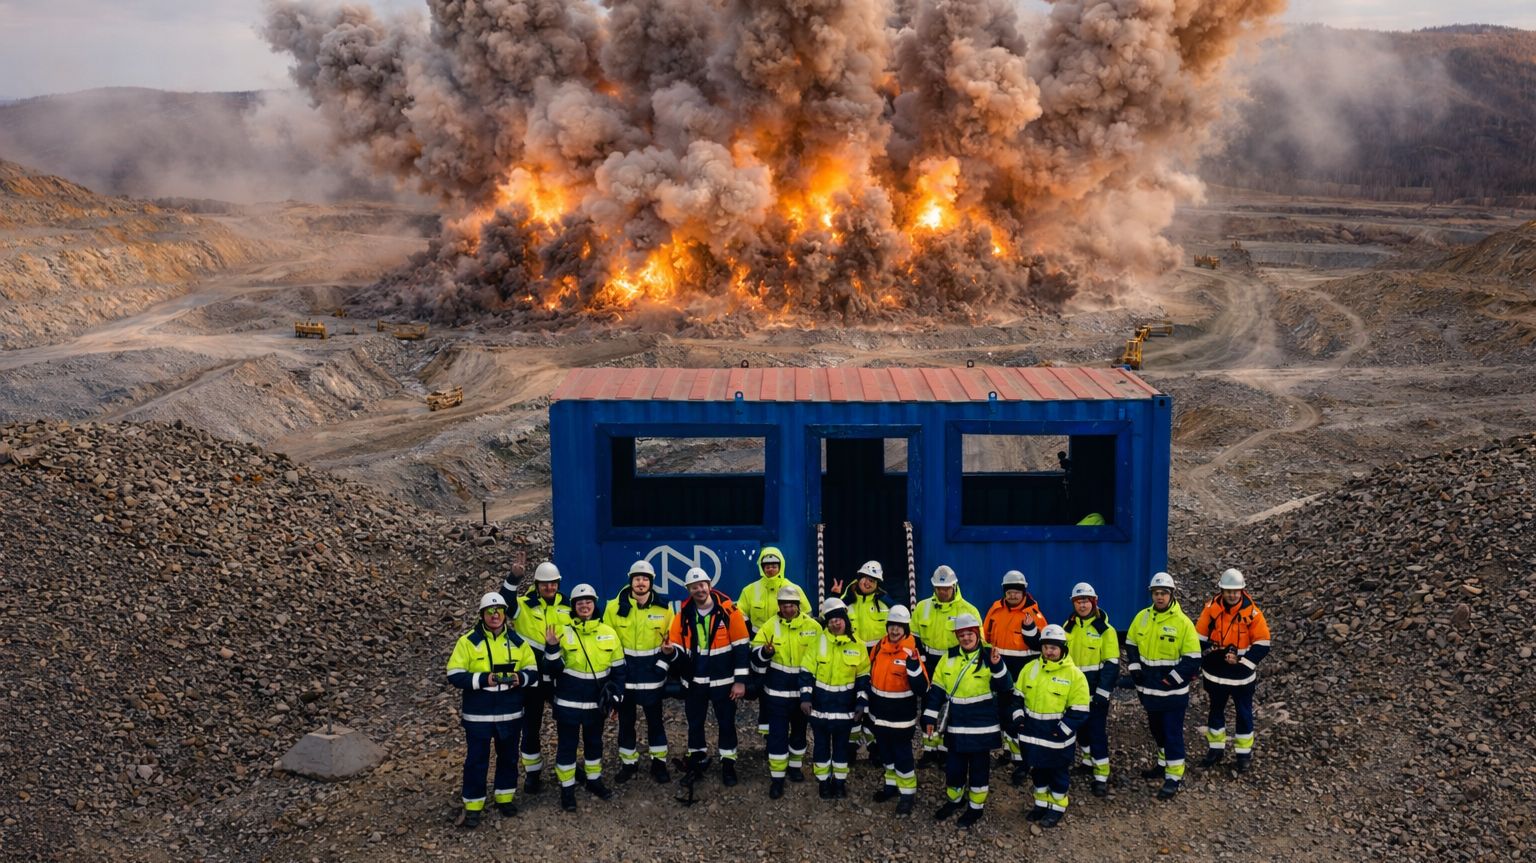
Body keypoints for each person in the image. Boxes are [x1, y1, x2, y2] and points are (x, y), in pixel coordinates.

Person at [445, 592, 541, 828]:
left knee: (508, 758)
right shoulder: (468, 641)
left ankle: (504, 798)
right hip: (478, 716)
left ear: (505, 615)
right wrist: (483, 679)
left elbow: (534, 673)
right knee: (477, 760)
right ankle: (474, 806)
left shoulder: (519, 642)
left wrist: (519, 677)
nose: (495, 615)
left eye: (499, 611)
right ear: (482, 615)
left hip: (510, 714)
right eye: (490, 611)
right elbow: (454, 674)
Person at [924, 613, 1010, 828]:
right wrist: (929, 715)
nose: (965, 638)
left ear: (977, 633)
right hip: (956, 725)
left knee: (979, 769)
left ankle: (976, 808)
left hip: (982, 725)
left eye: (969, 633)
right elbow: (937, 690)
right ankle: (954, 801)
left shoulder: (991, 655)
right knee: (954, 767)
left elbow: (1006, 687)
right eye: (961, 634)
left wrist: (998, 667)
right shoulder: (948, 658)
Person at [666, 566, 751, 786]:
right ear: (688, 589)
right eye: (694, 587)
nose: (699, 590)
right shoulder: (682, 615)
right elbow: (676, 647)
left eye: (702, 585)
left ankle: (728, 764)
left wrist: (740, 681)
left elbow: (742, 646)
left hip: (724, 681)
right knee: (695, 724)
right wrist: (670, 652)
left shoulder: (729, 611)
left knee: (726, 723)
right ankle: (697, 761)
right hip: (695, 682)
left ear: (709, 586)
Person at [549, 583, 626, 812]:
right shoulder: (561, 632)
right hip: (567, 704)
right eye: (580, 602)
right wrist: (552, 648)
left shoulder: (609, 633)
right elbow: (550, 670)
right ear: (574, 606)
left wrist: (617, 697)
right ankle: (567, 788)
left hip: (596, 705)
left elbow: (619, 670)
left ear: (595, 605)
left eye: (588, 601)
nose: (584, 605)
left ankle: (594, 781)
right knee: (567, 746)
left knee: (594, 744)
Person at [1124, 572, 1202, 800]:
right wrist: (1135, 669)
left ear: (1171, 595)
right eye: (1156, 593)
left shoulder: (1183, 623)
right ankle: (1162, 763)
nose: (1159, 597)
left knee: (1172, 733)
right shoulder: (1142, 618)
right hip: (1149, 693)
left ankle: (1174, 776)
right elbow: (1130, 643)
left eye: (1163, 593)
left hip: (1173, 694)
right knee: (1157, 731)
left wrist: (1171, 679)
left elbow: (1192, 659)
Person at [1011, 624, 1091, 827]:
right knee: (1038, 772)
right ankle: (1040, 805)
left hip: (1057, 741)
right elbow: (1017, 697)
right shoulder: (1030, 669)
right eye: (1046, 646)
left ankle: (1057, 807)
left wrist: (1060, 731)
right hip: (1032, 737)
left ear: (1063, 648)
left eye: (1054, 647)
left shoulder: (1075, 676)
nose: (1049, 651)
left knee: (1058, 774)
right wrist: (1019, 719)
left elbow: (1079, 710)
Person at [504, 560, 572, 794]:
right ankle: (533, 774)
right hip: (531, 678)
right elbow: (504, 603)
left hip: (559, 675)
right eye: (545, 584)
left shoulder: (568, 606)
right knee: (531, 727)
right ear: (537, 584)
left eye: (553, 583)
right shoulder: (523, 605)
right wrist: (513, 578)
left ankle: (567, 767)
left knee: (567, 724)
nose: (549, 588)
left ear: (558, 583)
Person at [603, 560, 674, 784]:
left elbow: (671, 643)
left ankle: (659, 764)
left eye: (645, 579)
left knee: (655, 722)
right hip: (626, 680)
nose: (641, 582)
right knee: (626, 724)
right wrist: (614, 680)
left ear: (651, 582)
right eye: (637, 578)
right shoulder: (613, 608)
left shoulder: (664, 609)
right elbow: (607, 643)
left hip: (653, 679)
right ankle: (628, 764)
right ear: (630, 581)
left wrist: (661, 670)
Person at [1195, 568, 1272, 772]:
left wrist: (1243, 663)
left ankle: (1243, 754)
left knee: (1244, 713)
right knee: (1215, 711)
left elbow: (1263, 643)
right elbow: (1199, 640)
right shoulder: (1211, 610)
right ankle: (1215, 750)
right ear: (1221, 590)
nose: (1232, 595)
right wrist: (1195, 662)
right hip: (1216, 674)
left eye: (1236, 591)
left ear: (1242, 591)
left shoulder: (1253, 613)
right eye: (1228, 591)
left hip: (1242, 677)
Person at [751, 585, 823, 797]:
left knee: (800, 732)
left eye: (791, 605)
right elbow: (754, 659)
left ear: (798, 605)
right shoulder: (769, 626)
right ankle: (777, 777)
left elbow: (822, 657)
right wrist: (765, 652)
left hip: (803, 693)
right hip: (776, 694)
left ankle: (795, 766)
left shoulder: (813, 627)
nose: (788, 609)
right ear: (779, 606)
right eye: (784, 605)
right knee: (777, 736)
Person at [800, 598, 871, 800]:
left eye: (838, 619)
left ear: (845, 620)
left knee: (841, 749)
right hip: (820, 708)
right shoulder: (817, 642)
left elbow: (863, 678)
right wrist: (805, 697)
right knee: (821, 746)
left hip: (845, 709)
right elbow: (806, 672)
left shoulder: (859, 646)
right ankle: (823, 782)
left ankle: (839, 783)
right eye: (831, 620)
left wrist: (861, 703)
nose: (835, 623)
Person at [737, 547, 810, 737]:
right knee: (763, 689)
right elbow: (740, 617)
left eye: (774, 565)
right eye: (767, 566)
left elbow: (807, 617)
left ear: (781, 566)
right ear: (761, 567)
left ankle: (787, 732)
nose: (770, 569)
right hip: (761, 646)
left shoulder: (793, 589)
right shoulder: (750, 590)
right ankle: (768, 733)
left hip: (788, 646)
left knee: (783, 691)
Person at [912, 565, 981, 766]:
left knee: (950, 707)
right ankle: (928, 749)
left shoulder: (968, 610)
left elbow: (979, 642)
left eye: (946, 588)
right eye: (939, 588)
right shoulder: (922, 607)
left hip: (955, 663)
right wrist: (921, 659)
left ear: (954, 586)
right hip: (929, 663)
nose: (942, 592)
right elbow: (914, 637)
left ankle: (944, 750)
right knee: (928, 707)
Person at [982, 570, 1044, 783]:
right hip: (1000, 672)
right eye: (1009, 591)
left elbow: (1041, 647)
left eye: (1017, 592)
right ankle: (1009, 752)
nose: (1013, 596)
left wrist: (1030, 630)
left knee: (1018, 717)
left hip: (1022, 675)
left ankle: (1022, 762)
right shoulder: (995, 610)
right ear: (1004, 592)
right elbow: (986, 637)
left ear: (1024, 592)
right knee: (1001, 713)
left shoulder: (1033, 615)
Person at [867, 605, 927, 815]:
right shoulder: (878, 648)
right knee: (886, 753)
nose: (894, 631)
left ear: (906, 629)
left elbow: (922, 688)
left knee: (902, 755)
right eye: (892, 626)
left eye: (899, 627)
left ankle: (907, 794)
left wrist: (914, 668)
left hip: (901, 718)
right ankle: (891, 786)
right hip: (879, 715)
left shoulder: (912, 652)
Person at [1063, 582, 1120, 797]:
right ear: (1074, 604)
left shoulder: (1105, 630)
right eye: (1079, 601)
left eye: (1086, 601)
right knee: (1081, 731)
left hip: (1095, 693)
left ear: (1094, 602)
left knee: (1096, 733)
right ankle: (1087, 762)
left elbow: (1112, 664)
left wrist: (1103, 693)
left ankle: (1101, 776)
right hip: (1074, 693)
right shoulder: (1067, 628)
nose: (1083, 605)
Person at [832, 560, 892, 757]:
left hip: (877, 663)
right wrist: (834, 596)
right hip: (850, 661)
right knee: (852, 705)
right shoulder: (845, 601)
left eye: (874, 580)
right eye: (866, 578)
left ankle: (875, 748)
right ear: (859, 578)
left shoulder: (886, 604)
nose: (869, 583)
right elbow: (829, 621)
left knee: (875, 706)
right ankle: (850, 749)